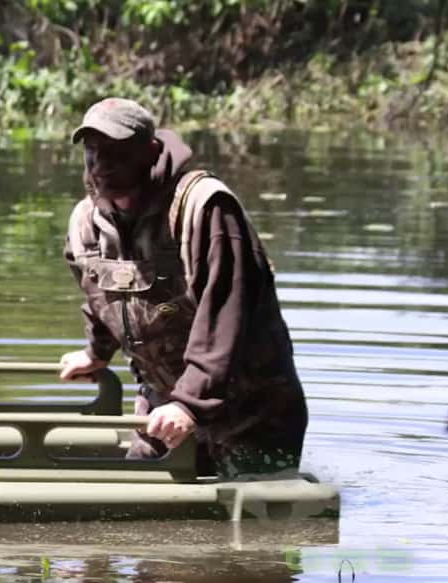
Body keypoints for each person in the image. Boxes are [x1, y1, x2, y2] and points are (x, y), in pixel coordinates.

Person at [59, 97, 308, 479]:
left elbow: (227, 313)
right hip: (164, 409)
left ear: (151, 152)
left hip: (252, 412)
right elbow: (101, 294)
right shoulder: (87, 223)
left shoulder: (204, 207)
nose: (101, 164)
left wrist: (189, 406)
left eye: (116, 151)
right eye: (93, 151)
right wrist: (97, 351)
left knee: (256, 530)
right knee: (137, 515)